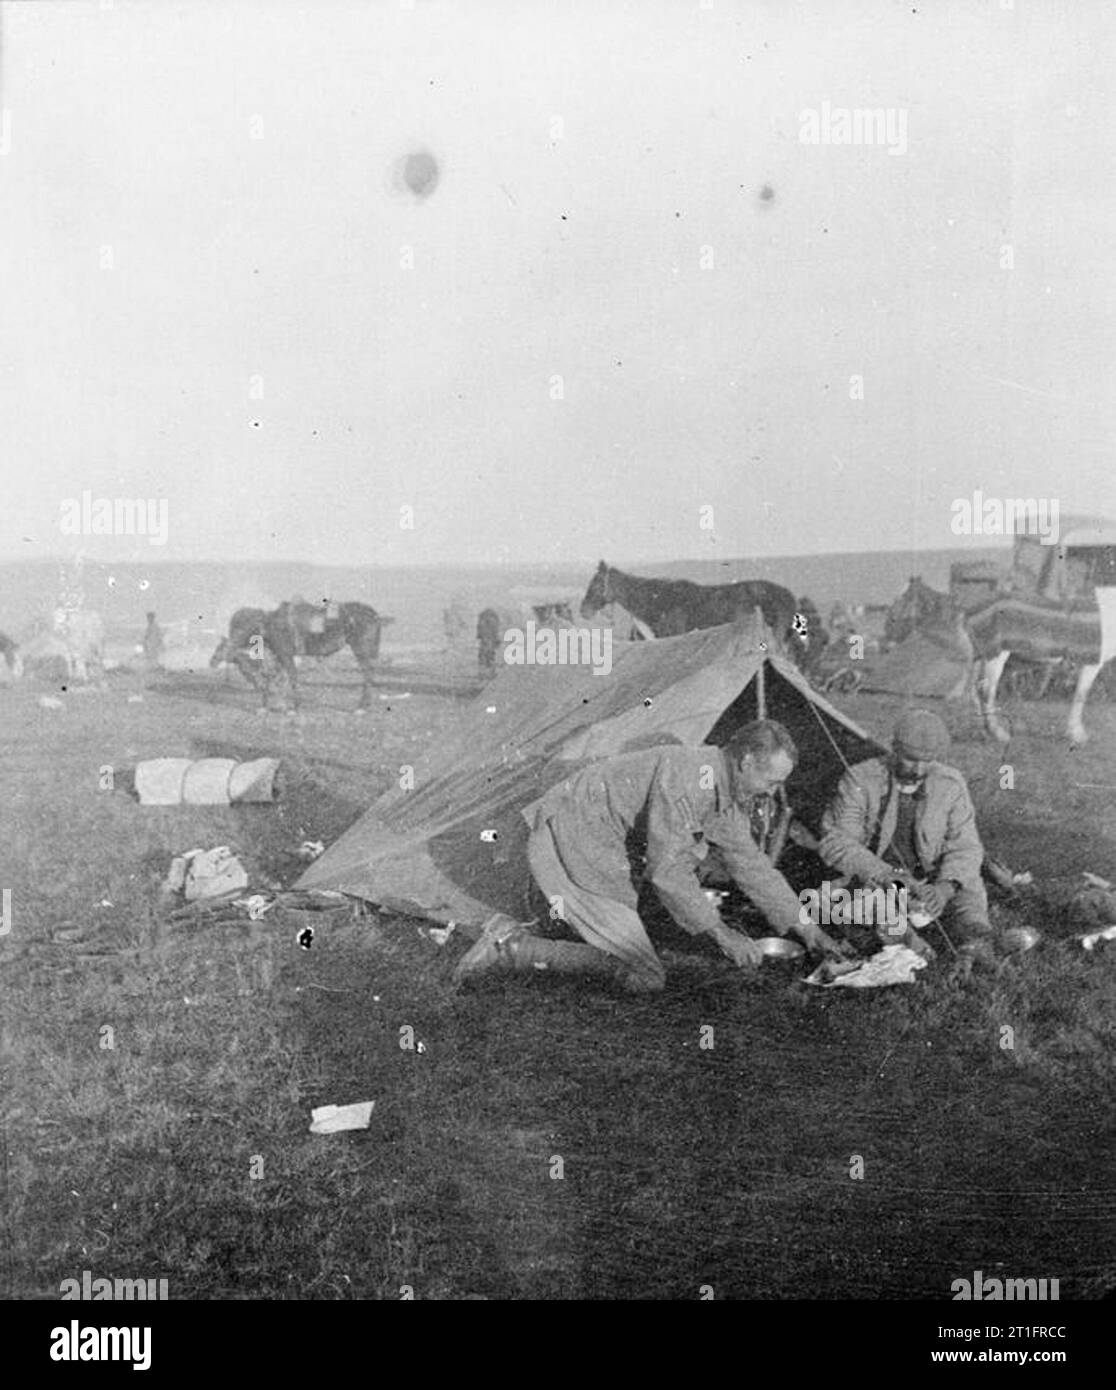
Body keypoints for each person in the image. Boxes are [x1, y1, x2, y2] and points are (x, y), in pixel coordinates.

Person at [453, 719, 844, 993]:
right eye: (771, 782)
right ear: (744, 763)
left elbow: (753, 865)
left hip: (599, 847)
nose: (773, 793)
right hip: (574, 838)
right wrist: (722, 934)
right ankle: (511, 945)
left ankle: (549, 928)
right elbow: (669, 872)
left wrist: (810, 931)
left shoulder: (723, 784)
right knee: (645, 975)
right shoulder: (692, 779)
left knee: (622, 938)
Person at [818, 708, 995, 966]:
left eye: (928, 760)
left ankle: (974, 938)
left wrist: (944, 889)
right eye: (911, 759)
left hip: (928, 880)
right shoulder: (860, 779)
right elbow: (839, 841)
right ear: (894, 749)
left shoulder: (951, 784)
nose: (919, 768)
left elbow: (966, 846)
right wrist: (887, 875)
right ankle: (912, 947)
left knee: (969, 886)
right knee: (853, 899)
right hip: (876, 879)